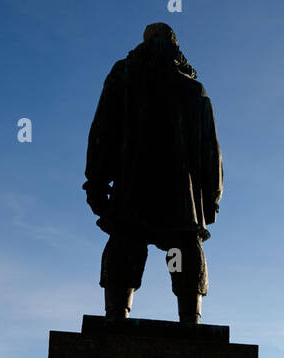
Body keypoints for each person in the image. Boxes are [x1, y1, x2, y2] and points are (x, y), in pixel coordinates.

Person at [83, 23, 222, 324]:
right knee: (180, 247)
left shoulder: (124, 76)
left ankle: (116, 318)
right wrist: (212, 197)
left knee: (127, 240)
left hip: (134, 186)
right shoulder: (194, 90)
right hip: (180, 195)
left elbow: (102, 132)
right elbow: (210, 152)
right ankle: (190, 320)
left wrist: (95, 180)